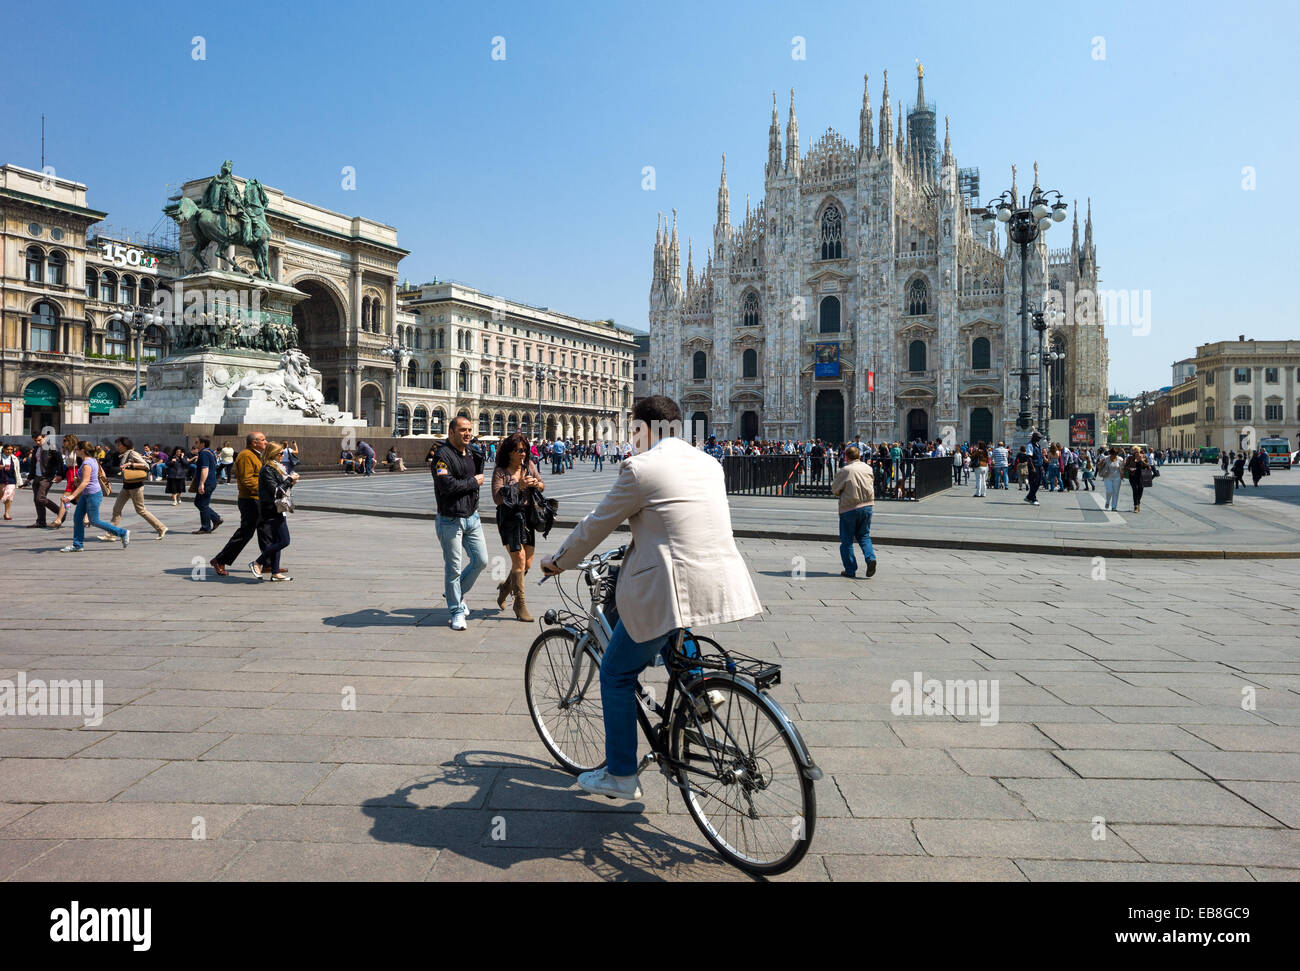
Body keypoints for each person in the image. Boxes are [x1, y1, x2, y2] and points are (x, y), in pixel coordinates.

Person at [540, 396, 762, 800]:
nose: (632, 437)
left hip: (669, 586)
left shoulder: (641, 468)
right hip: (718, 578)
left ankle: (621, 774)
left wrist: (558, 561)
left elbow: (596, 526)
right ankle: (698, 686)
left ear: (643, 427)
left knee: (616, 673)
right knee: (673, 624)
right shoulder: (710, 463)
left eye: (633, 428)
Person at [433, 415, 489, 630]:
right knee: (453, 569)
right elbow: (447, 486)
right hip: (450, 520)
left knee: (481, 560)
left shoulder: (472, 453)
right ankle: (456, 610)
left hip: (472, 517)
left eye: (469, 429)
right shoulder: (442, 456)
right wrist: (473, 482)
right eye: (463, 430)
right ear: (451, 432)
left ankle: (455, 593)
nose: (467, 433)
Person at [491, 432, 545, 621]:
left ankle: (506, 587)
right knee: (519, 559)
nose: (523, 454)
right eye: (519, 451)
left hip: (528, 517)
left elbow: (542, 485)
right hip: (509, 519)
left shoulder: (529, 466)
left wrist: (535, 484)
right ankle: (519, 603)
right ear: (509, 452)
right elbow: (497, 498)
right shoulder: (501, 471)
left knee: (527, 563)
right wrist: (517, 487)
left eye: (525, 450)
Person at [210, 432, 267, 577]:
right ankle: (220, 560)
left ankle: (268, 562)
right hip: (250, 500)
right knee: (246, 533)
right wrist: (265, 489)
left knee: (265, 531)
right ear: (254, 443)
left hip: (258, 499)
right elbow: (247, 480)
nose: (266, 442)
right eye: (263, 440)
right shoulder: (246, 455)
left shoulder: (256, 455)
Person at [59, 440, 129, 551]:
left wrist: (72, 496)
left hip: (92, 494)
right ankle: (77, 545)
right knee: (77, 518)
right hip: (87, 494)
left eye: (76, 449)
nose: (75, 451)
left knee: (94, 521)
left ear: (82, 450)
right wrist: (79, 479)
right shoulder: (92, 460)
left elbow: (86, 482)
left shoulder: (87, 464)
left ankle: (122, 532)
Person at [250, 441, 298, 581]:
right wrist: (289, 479)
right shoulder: (267, 470)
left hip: (277, 508)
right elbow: (277, 491)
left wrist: (291, 482)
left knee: (277, 540)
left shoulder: (277, 468)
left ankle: (275, 573)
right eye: (280, 453)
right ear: (273, 454)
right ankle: (257, 562)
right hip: (270, 509)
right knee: (284, 540)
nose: (283, 455)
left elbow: (283, 490)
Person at [102, 437, 166, 540]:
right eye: (117, 445)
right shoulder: (125, 454)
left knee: (141, 510)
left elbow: (146, 466)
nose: (117, 447)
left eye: (119, 445)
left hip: (136, 486)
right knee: (117, 509)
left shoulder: (132, 453)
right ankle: (111, 534)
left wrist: (131, 464)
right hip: (127, 485)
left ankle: (161, 528)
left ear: (125, 445)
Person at [830, 445, 877, 578]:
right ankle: (870, 558)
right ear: (860, 456)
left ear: (846, 457)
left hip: (849, 508)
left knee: (847, 541)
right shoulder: (868, 468)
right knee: (864, 536)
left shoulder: (845, 470)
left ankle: (850, 570)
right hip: (867, 507)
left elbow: (835, 490)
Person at [23, 432, 65, 528]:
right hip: (37, 477)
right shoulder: (36, 449)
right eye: (35, 441)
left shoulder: (51, 447)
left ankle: (61, 512)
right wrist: (29, 478)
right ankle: (41, 522)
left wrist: (60, 474)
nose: (38, 442)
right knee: (37, 500)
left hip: (47, 477)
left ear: (44, 437)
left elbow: (60, 461)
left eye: (39, 440)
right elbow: (33, 465)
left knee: (40, 498)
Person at [193, 435, 223, 534]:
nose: (195, 444)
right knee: (199, 502)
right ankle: (215, 519)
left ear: (202, 443)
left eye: (197, 442)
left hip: (207, 483)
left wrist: (201, 484)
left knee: (203, 504)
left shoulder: (204, 453)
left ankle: (206, 527)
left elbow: (205, 468)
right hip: (210, 482)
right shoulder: (210, 452)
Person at [1123, 445, 1149, 513]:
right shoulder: (1130, 458)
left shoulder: (1144, 457)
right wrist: (1130, 468)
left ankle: (1138, 503)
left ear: (1139, 451)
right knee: (1135, 490)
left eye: (1137, 452)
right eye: (1135, 452)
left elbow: (1148, 466)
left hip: (1142, 476)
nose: (1136, 453)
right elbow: (1125, 467)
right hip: (1132, 476)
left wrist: (1141, 460)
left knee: (1140, 490)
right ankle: (1136, 506)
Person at [1, 444, 23, 520]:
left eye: (11, 449)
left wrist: (20, 483)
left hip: (11, 479)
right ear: (3, 449)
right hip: (1, 479)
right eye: (7, 449)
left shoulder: (14, 458)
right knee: (1, 495)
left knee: (9, 496)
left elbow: (17, 471)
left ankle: (6, 513)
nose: (9, 451)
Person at [1024, 432, 1044, 506]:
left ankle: (1029, 496)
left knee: (1038, 482)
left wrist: (1041, 466)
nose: (1040, 439)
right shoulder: (1030, 445)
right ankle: (1033, 498)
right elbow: (1029, 457)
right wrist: (1032, 468)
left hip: (1038, 465)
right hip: (1034, 466)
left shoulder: (1038, 445)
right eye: (1038, 437)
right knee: (1034, 482)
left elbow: (1039, 456)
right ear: (1034, 437)